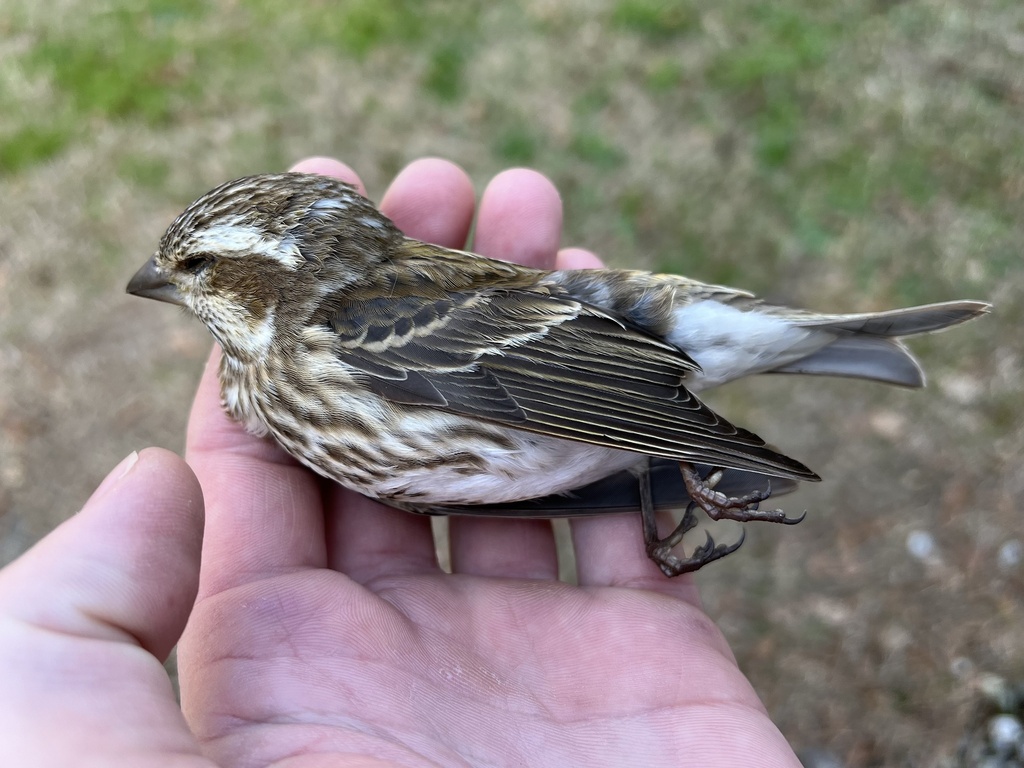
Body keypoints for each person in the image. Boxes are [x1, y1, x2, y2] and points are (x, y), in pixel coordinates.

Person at [0, 157, 802, 766]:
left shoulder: (345, 327)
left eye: (199, 271)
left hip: (599, 364)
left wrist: (680, 437)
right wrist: (650, 458)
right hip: (586, 408)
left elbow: (531, 381)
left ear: (266, 281)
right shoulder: (264, 390)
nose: (161, 284)